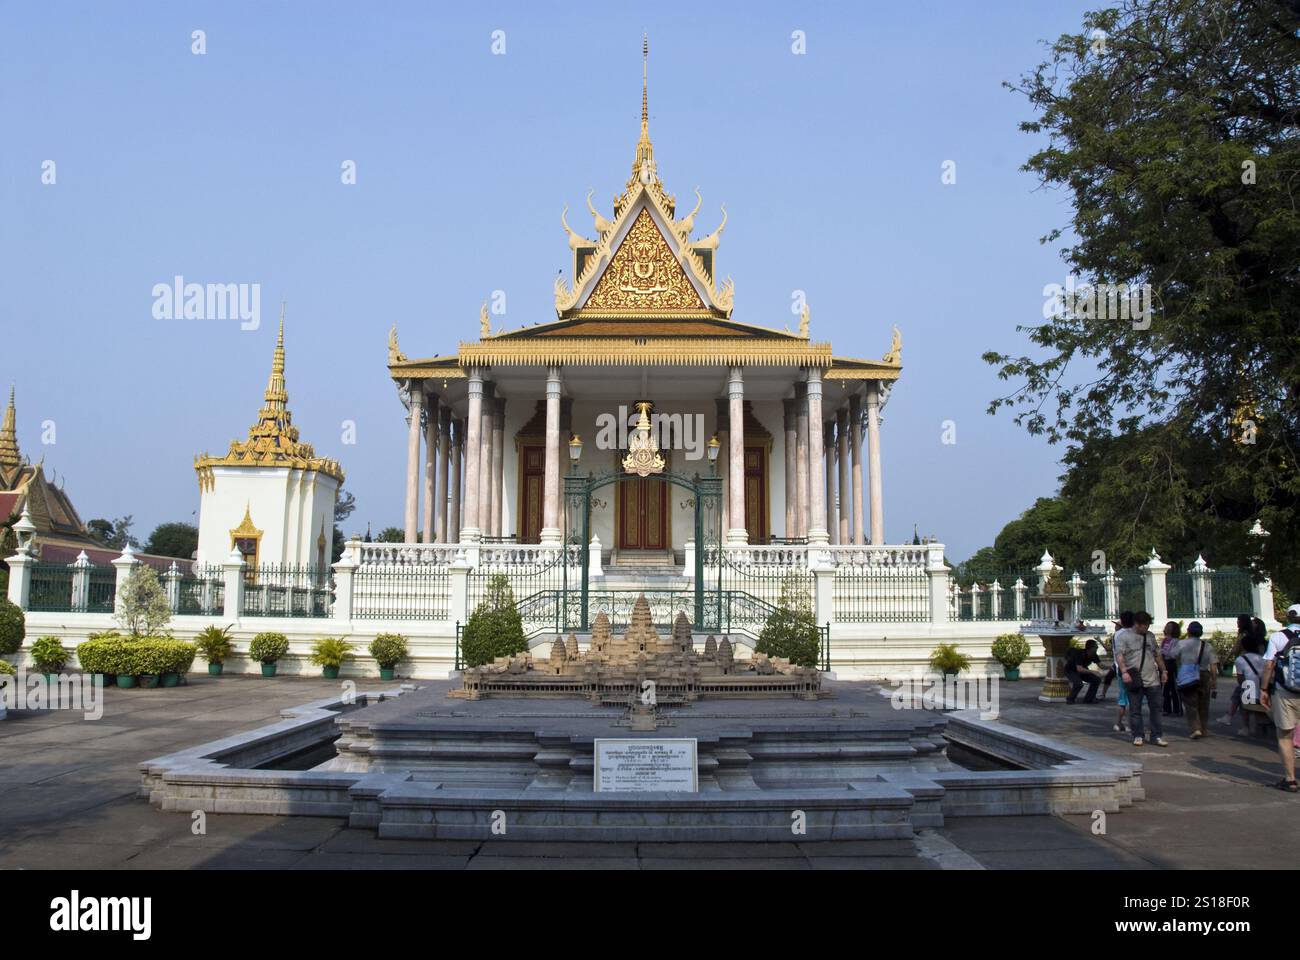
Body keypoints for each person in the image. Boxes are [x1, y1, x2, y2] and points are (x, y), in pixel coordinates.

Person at [1260, 603, 1300, 792]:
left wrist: (1263, 689)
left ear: (1288, 617)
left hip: (1285, 692)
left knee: (1285, 735)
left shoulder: (1278, 637)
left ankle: (1291, 779)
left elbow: (1269, 665)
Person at [1115, 611, 1169, 747]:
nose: (1146, 628)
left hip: (1152, 679)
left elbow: (1157, 655)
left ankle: (1156, 735)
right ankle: (1138, 734)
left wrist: (1164, 671)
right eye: (1144, 625)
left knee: (1156, 709)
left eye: (1148, 625)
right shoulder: (1124, 637)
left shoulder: (1150, 637)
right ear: (1137, 624)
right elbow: (1119, 655)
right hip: (1134, 678)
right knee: (1135, 709)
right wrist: (1124, 672)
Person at [1175, 621, 1217, 739]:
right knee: (1204, 703)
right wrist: (1214, 680)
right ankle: (1204, 728)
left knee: (1190, 703)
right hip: (1204, 674)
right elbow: (1213, 665)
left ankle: (1195, 728)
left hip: (1188, 675)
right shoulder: (1208, 646)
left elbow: (1172, 655)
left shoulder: (1182, 644)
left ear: (1188, 632)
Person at [1222, 630, 1266, 730]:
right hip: (1262, 689)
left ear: (1243, 646)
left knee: (1242, 695)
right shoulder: (1262, 658)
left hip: (1249, 690)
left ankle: (1245, 726)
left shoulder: (1240, 660)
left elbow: (1240, 679)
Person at [1064, 639, 1103, 704]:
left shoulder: (1094, 655)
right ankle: (1070, 699)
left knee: (1096, 680)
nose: (1097, 648)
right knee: (1078, 683)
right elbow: (1079, 669)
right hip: (1071, 670)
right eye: (1096, 647)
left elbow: (1101, 665)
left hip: (1082, 670)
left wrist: (1113, 667)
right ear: (1090, 648)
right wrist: (1093, 671)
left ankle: (1089, 699)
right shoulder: (1080, 654)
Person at [1160, 621, 1183, 716]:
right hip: (1164, 664)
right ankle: (1166, 708)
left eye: (1170, 626)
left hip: (1172, 664)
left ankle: (1177, 709)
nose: (1167, 628)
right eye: (1167, 626)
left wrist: (1163, 652)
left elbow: (1174, 654)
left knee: (1174, 688)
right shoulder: (1164, 640)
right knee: (1165, 688)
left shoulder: (1176, 641)